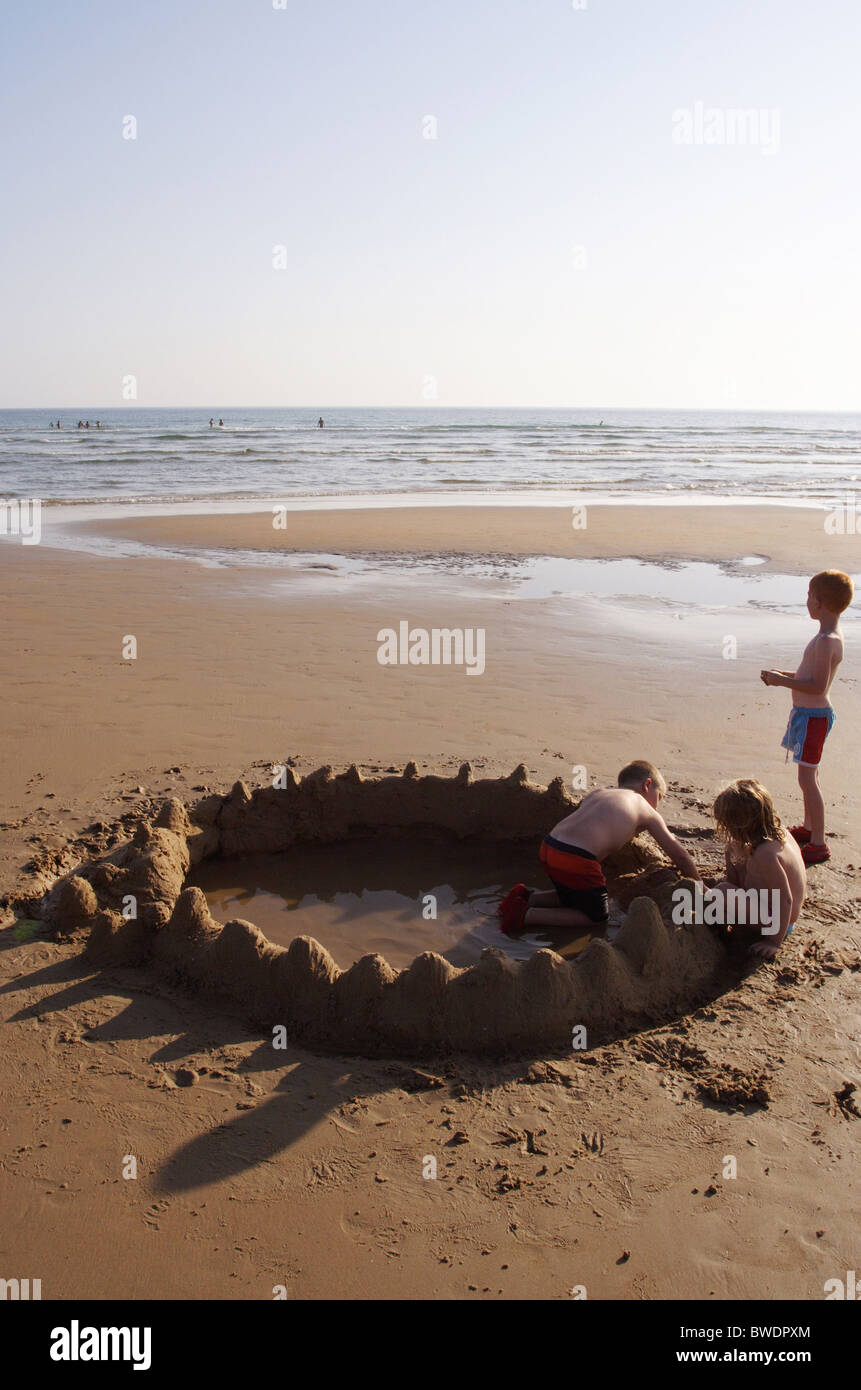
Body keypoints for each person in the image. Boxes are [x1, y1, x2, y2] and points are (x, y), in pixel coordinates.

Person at [498, 760, 700, 934]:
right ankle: (526, 915)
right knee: (596, 915)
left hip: (550, 846)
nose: (657, 806)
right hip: (576, 857)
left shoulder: (600, 792)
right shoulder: (645, 808)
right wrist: (699, 885)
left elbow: (590, 825)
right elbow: (678, 854)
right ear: (647, 785)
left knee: (576, 896)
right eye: (659, 798)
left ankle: (527, 897)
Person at [760, 570, 853, 865]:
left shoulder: (827, 640)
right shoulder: (825, 636)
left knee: (807, 778)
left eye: (809, 595)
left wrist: (781, 682)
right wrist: (781, 675)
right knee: (808, 776)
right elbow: (807, 676)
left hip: (814, 716)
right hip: (807, 715)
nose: (807, 601)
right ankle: (810, 827)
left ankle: (818, 843)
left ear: (821, 602)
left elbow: (818, 686)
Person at [709, 779, 805, 958]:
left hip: (777, 922)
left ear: (738, 826)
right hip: (772, 910)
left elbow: (786, 900)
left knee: (721, 891)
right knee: (732, 852)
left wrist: (773, 942)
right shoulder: (777, 834)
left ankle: (729, 924)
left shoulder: (766, 855)